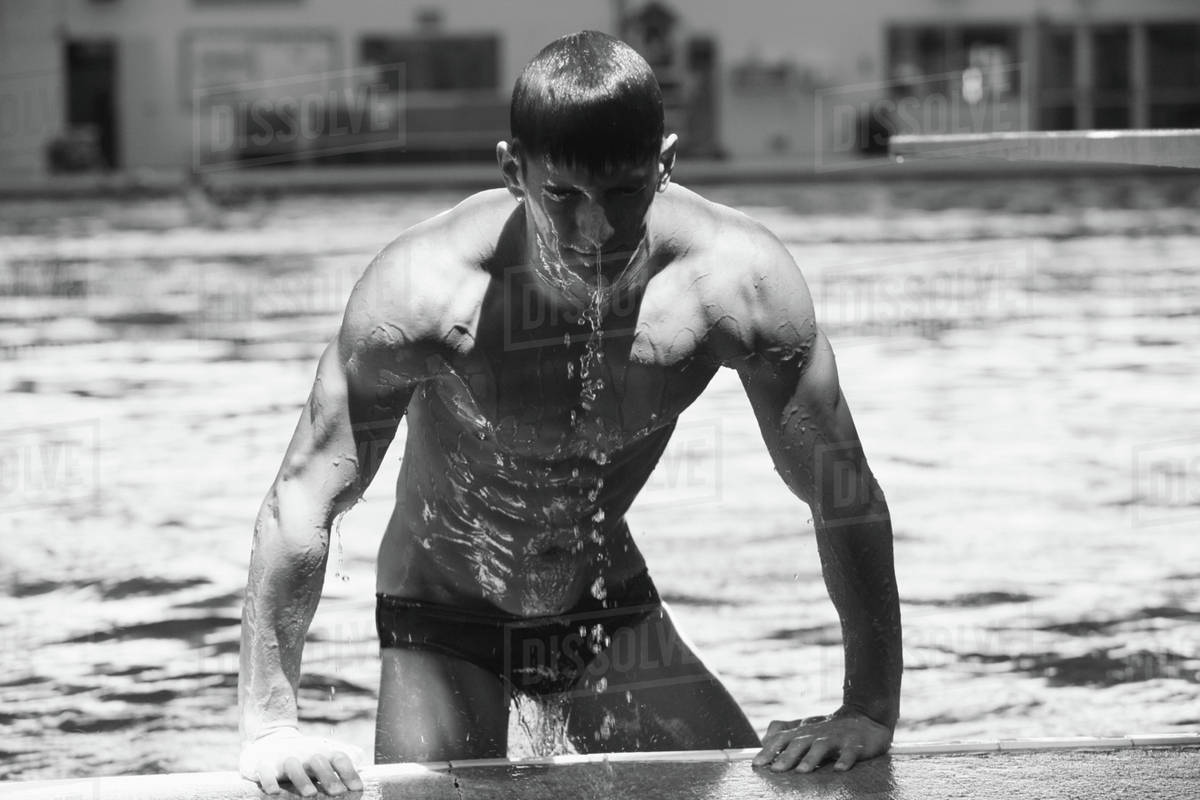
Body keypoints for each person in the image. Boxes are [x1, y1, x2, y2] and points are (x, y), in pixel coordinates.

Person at [238, 30, 901, 797]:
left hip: (600, 612)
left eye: (624, 193)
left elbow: (841, 490)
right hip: (440, 615)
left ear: (666, 164)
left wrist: (866, 707)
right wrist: (270, 726)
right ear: (513, 171)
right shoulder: (424, 293)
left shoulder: (737, 286)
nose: (597, 232)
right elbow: (305, 494)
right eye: (564, 197)